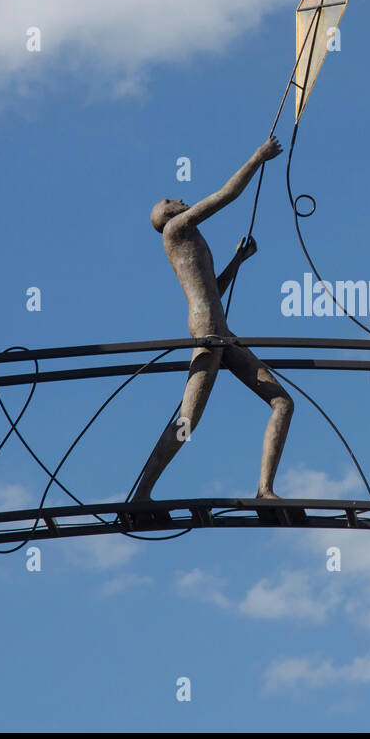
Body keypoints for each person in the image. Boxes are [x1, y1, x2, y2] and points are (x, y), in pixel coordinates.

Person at [131, 136, 294, 523]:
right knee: (187, 421)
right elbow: (227, 195)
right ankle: (142, 494)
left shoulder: (188, 240)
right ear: (164, 217)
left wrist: (237, 261)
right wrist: (258, 156)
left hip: (219, 326)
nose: (178, 198)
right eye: (169, 199)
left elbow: (211, 292)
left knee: (282, 403)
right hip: (208, 330)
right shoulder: (177, 230)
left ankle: (265, 490)